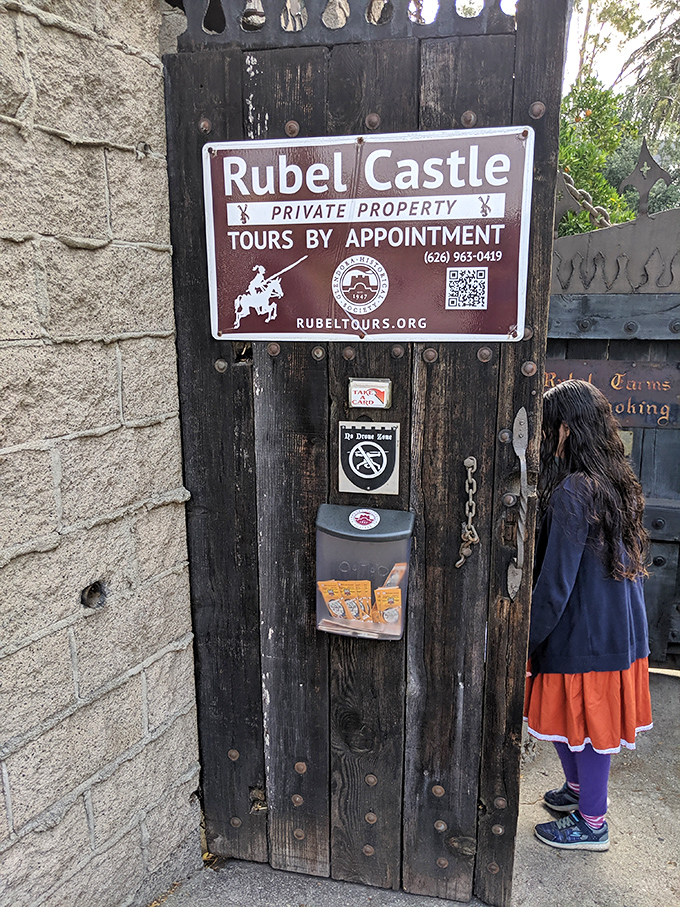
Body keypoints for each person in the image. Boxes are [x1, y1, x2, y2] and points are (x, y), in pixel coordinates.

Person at [524, 379, 653, 851]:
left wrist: (526, 639)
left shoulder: (574, 490)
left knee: (587, 728)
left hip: (586, 634)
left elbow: (555, 582)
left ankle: (592, 823)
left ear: (564, 430)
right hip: (613, 629)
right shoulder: (613, 479)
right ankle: (578, 792)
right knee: (568, 720)